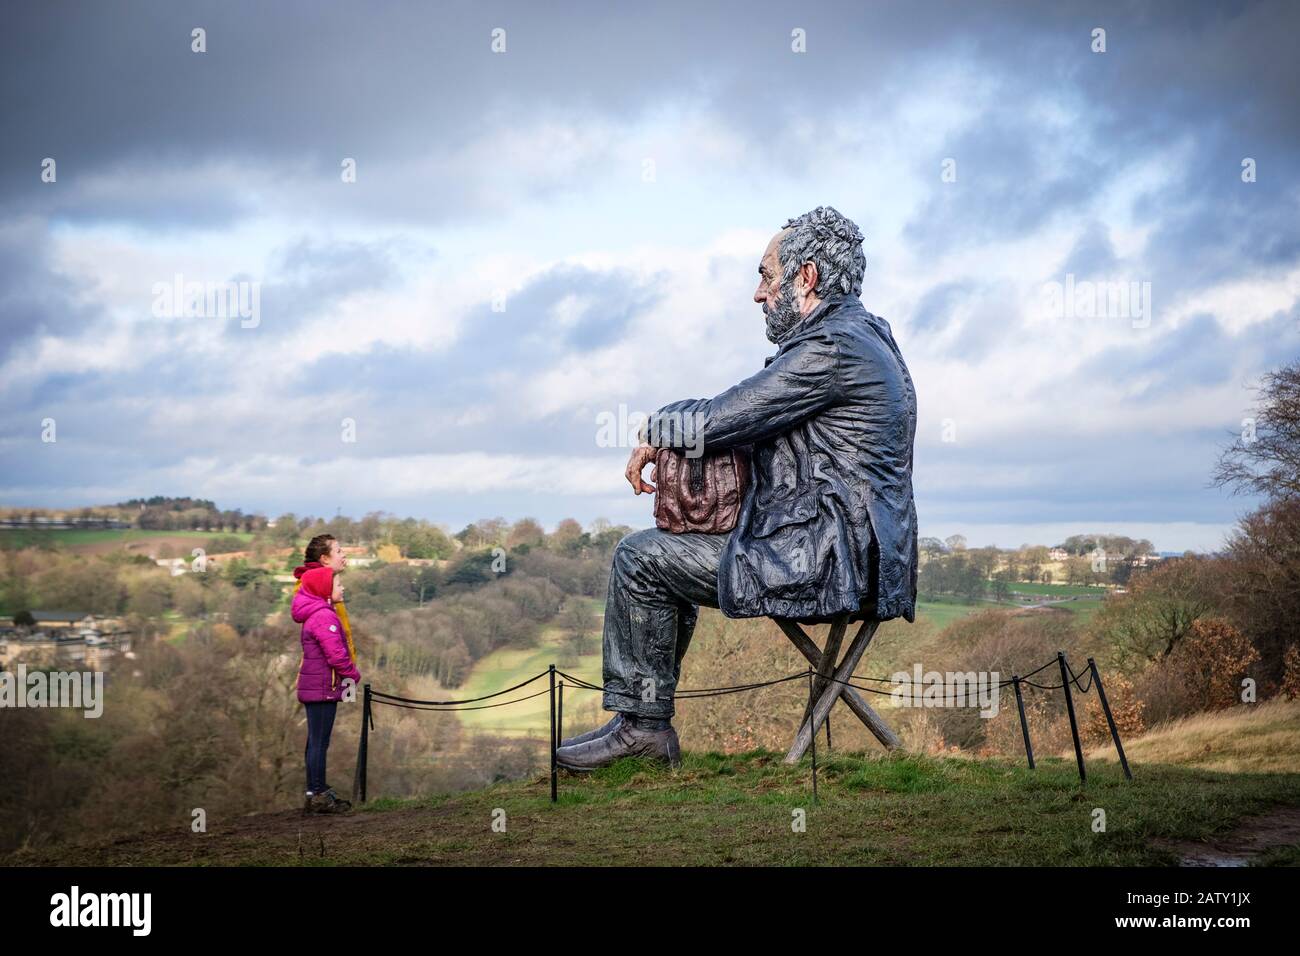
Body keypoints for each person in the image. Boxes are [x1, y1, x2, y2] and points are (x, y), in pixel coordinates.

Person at [555, 206, 919, 772]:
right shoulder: (866, 336)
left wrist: (656, 428)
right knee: (665, 554)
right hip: (857, 556)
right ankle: (643, 726)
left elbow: (726, 415)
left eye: (767, 276)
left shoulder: (833, 348)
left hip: (826, 562)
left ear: (807, 278)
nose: (757, 294)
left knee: (640, 558)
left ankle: (642, 729)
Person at [291, 534, 361, 812]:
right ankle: (317, 791)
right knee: (320, 741)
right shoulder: (323, 615)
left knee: (317, 740)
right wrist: (351, 676)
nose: (342, 588)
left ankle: (316, 789)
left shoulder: (317, 611)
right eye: (337, 584)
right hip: (323, 685)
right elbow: (335, 652)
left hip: (320, 684)